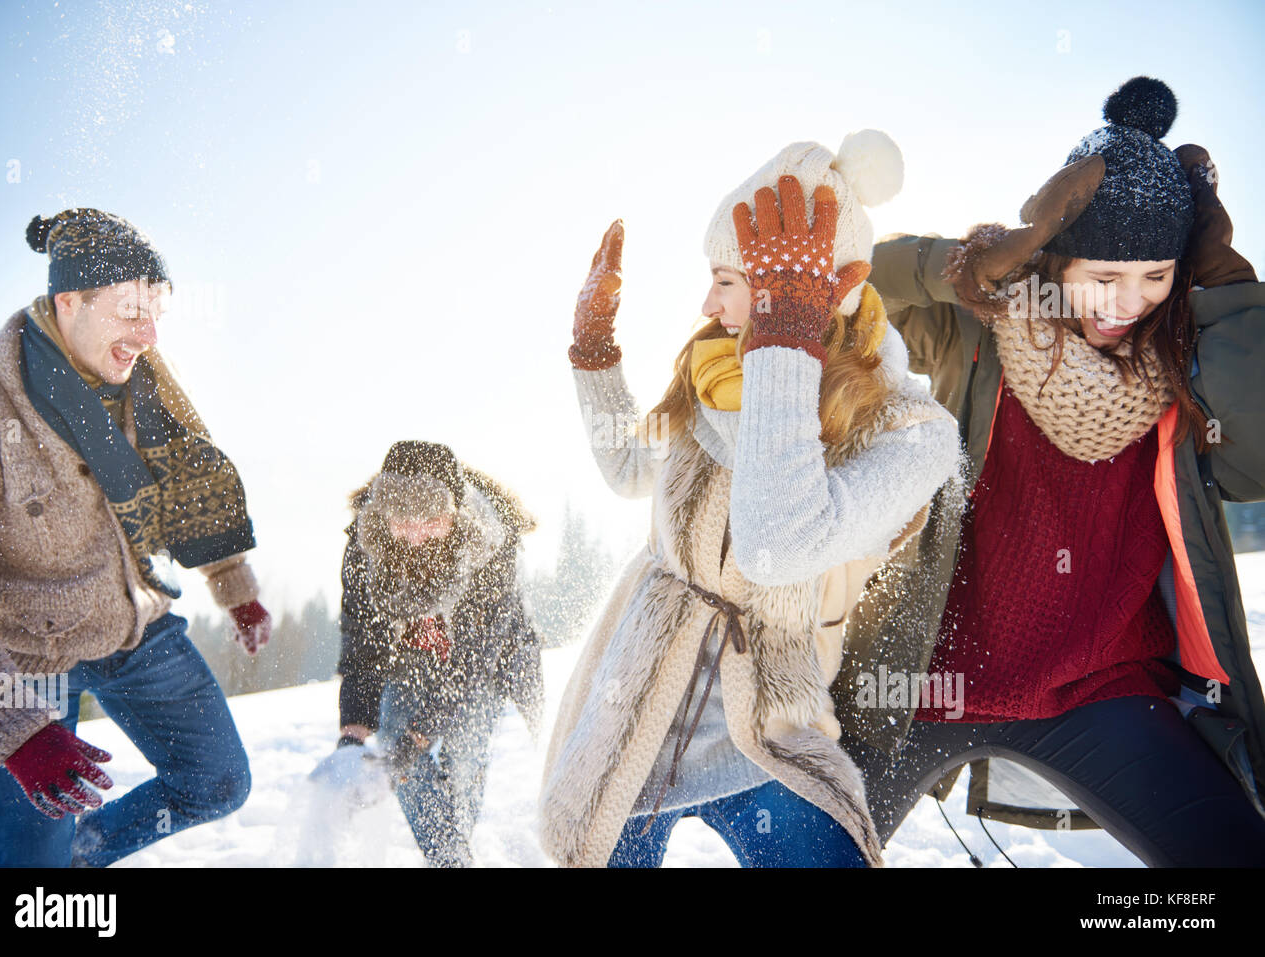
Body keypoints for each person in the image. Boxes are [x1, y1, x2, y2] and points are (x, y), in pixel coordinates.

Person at [839, 77, 1265, 866]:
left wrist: (1229, 287)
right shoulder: (982, 325)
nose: (1127, 303)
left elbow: (1258, 458)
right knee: (808, 851)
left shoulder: (1182, 363)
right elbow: (849, 288)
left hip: (1100, 686)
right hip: (924, 682)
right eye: (1104, 275)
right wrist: (962, 266)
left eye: (1156, 276)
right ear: (1056, 255)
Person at [539, 133, 962, 867]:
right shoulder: (713, 371)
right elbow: (629, 468)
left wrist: (783, 348)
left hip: (767, 726)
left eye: (728, 280)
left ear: (819, 289)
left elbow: (777, 545)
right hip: (638, 710)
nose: (707, 302)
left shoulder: (910, 434)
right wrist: (594, 353)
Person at [0, 208, 271, 867]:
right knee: (29, 858)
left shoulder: (141, 377)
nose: (149, 330)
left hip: (127, 620)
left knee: (217, 780)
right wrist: (16, 730)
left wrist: (234, 585)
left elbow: (193, 476)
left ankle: (81, 859)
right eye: (131, 308)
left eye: (156, 306)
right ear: (68, 301)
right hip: (24, 650)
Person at [331, 440, 544, 867]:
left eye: (429, 518)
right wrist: (352, 733)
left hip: (482, 664)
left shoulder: (489, 541)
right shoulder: (365, 547)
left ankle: (453, 853)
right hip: (409, 658)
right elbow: (363, 645)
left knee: (463, 756)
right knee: (393, 746)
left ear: (454, 513)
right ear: (383, 511)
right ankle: (451, 857)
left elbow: (473, 662)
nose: (414, 532)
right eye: (401, 518)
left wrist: (420, 735)